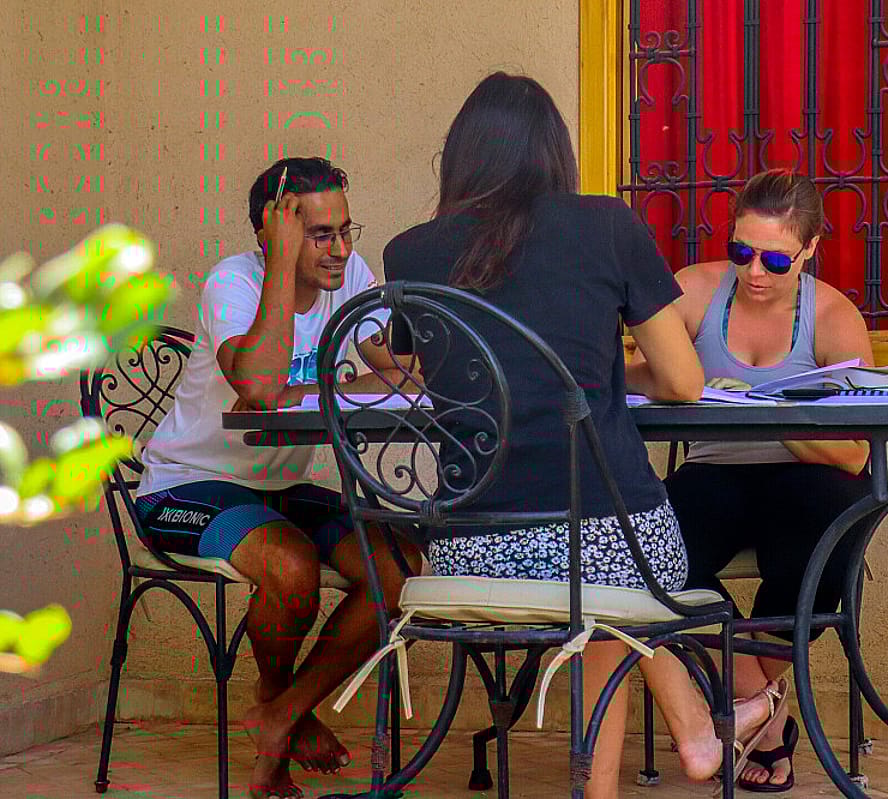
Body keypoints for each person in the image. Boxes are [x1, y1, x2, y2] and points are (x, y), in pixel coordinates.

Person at [383, 72, 786, 799]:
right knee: (613, 562)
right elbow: (687, 382)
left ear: (460, 157)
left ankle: (694, 729)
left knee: (604, 571)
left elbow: (425, 364)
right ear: (555, 153)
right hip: (598, 541)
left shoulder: (408, 253)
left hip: (463, 544)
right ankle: (678, 739)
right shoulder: (607, 226)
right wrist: (603, 370)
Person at [136, 157, 420, 799]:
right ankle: (276, 702)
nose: (342, 250)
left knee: (398, 569)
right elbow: (260, 387)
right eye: (321, 235)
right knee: (290, 568)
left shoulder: (350, 278)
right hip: (186, 483)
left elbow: (403, 374)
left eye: (347, 231)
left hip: (276, 490)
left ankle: (280, 713)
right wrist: (279, 267)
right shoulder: (231, 284)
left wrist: (334, 380)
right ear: (273, 233)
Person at [642, 169, 875, 791]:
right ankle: (765, 710)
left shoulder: (831, 314)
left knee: (830, 522)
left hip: (810, 472)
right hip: (716, 468)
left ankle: (746, 701)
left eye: (775, 258)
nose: (754, 273)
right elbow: (625, 370)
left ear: (810, 248)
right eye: (741, 252)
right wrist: (679, 380)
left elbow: (854, 455)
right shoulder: (693, 290)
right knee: (648, 545)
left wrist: (768, 412)